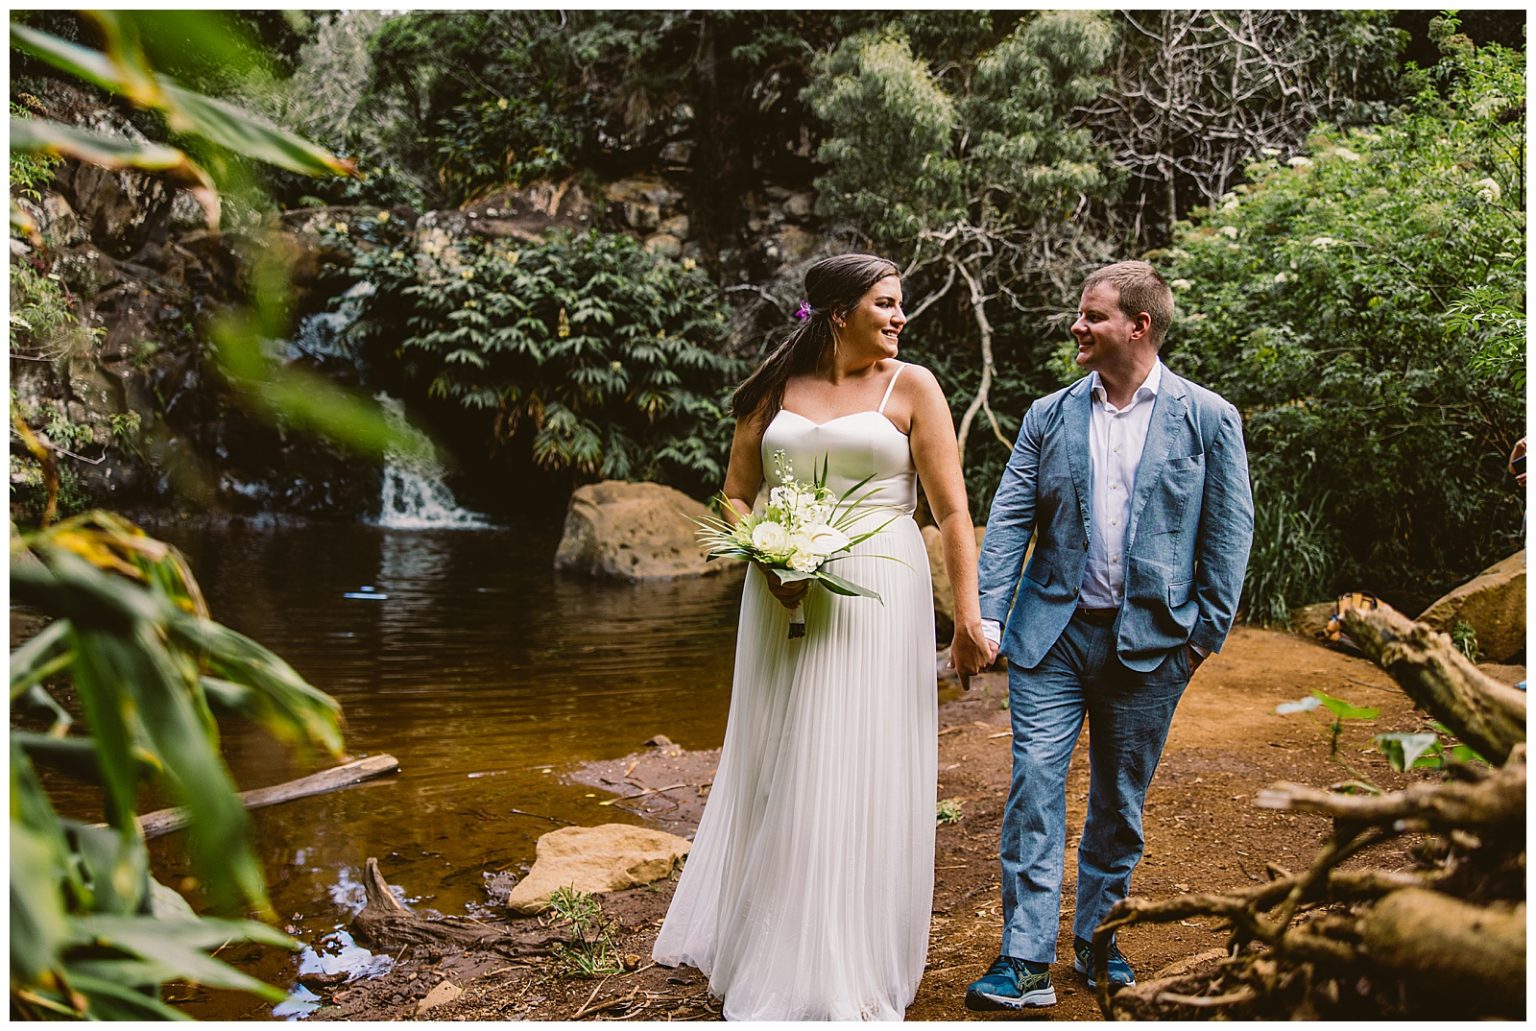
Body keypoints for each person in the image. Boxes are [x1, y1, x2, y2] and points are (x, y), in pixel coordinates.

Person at [653, 253, 992, 1020]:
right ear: (840, 312)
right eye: (886, 303)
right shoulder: (772, 389)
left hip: (879, 589)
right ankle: (773, 942)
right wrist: (769, 551)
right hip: (780, 591)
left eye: (900, 304)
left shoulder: (915, 388)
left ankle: (849, 954)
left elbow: (953, 514)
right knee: (786, 757)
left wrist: (968, 617)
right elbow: (737, 495)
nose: (900, 317)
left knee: (855, 759)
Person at [965, 260, 1254, 1010]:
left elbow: (1228, 536)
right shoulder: (1046, 415)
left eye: (1092, 315)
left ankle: (1098, 941)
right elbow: (1009, 522)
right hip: (1050, 636)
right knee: (1034, 785)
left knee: (1119, 803)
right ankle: (1023, 960)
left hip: (1153, 646)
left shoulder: (1209, 418)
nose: (1077, 325)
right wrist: (988, 617)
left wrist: (1200, 639)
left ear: (1139, 325)